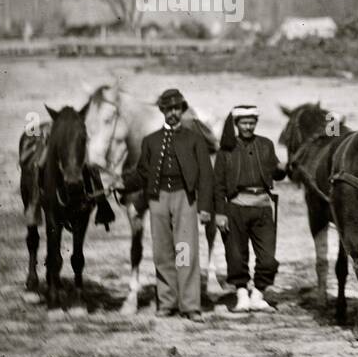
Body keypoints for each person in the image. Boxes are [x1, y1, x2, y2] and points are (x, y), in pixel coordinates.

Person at [119, 88, 214, 321]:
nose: (173, 113)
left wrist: (204, 207)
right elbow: (142, 174)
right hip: (158, 199)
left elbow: (205, 175)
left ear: (182, 110)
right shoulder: (151, 141)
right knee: (162, 252)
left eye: (177, 109)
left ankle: (190, 305)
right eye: (168, 109)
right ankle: (167, 302)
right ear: (162, 111)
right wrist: (120, 183)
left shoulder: (195, 139)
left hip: (185, 198)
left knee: (185, 250)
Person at [212, 105, 286, 312]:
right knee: (236, 254)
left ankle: (259, 295)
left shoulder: (266, 144)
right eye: (244, 123)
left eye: (251, 123)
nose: (248, 127)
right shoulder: (226, 149)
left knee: (268, 258)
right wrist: (219, 213)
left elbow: (276, 172)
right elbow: (217, 184)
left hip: (262, 207)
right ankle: (242, 295)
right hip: (235, 208)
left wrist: (283, 168)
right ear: (236, 124)